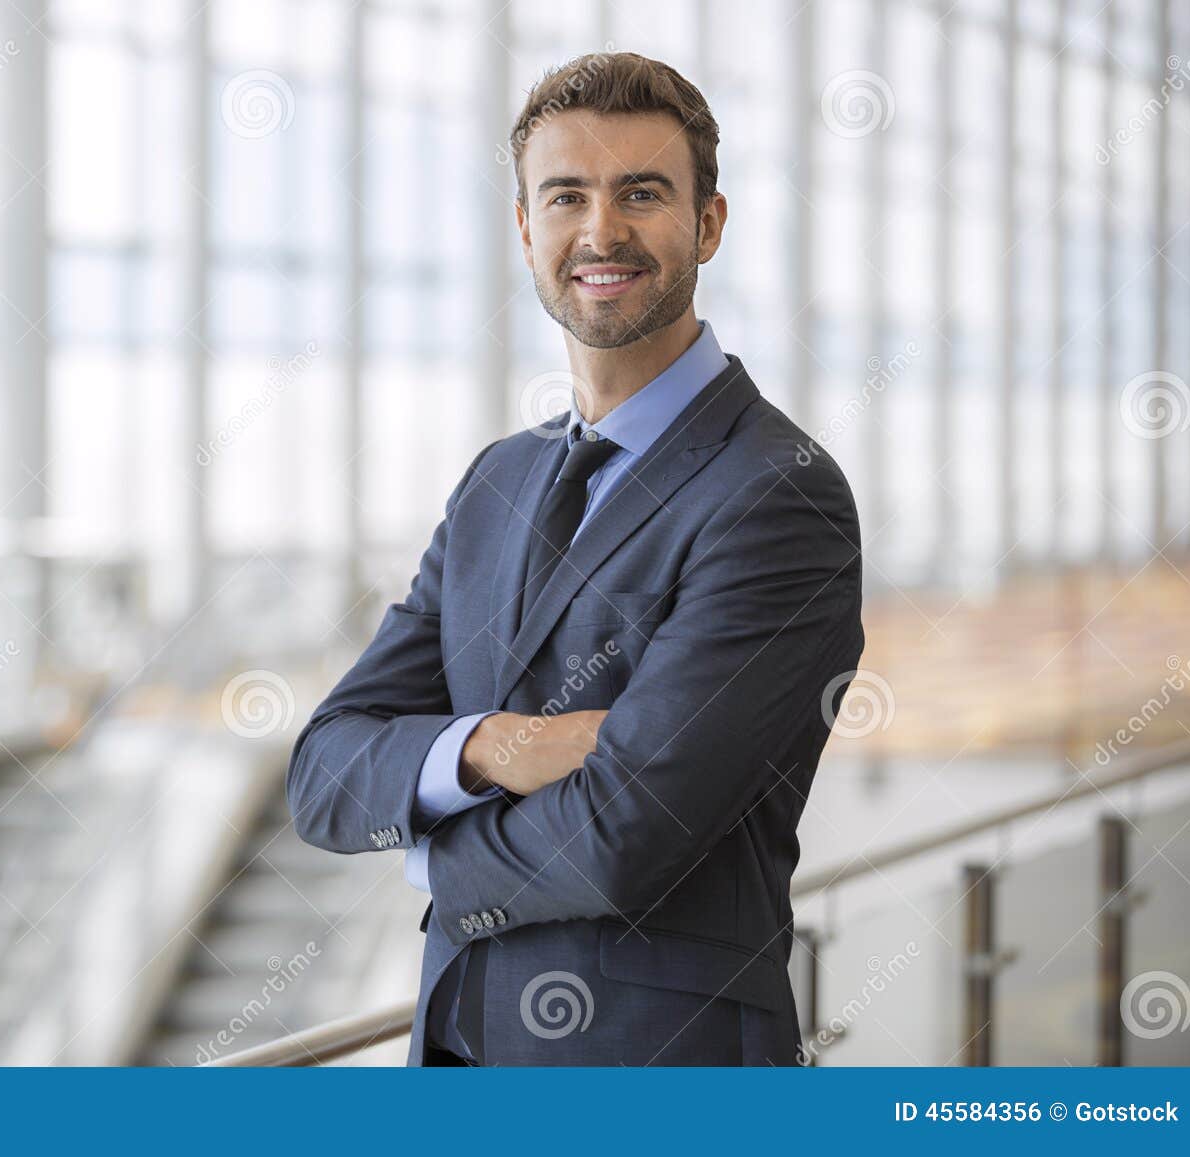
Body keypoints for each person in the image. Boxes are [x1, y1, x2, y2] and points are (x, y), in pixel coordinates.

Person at [287, 51, 864, 1066]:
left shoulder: (777, 493)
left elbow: (624, 835)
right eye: (567, 197)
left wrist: (427, 841)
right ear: (525, 230)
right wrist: (488, 746)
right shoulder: (495, 485)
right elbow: (324, 770)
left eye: (641, 194)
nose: (601, 232)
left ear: (709, 223)